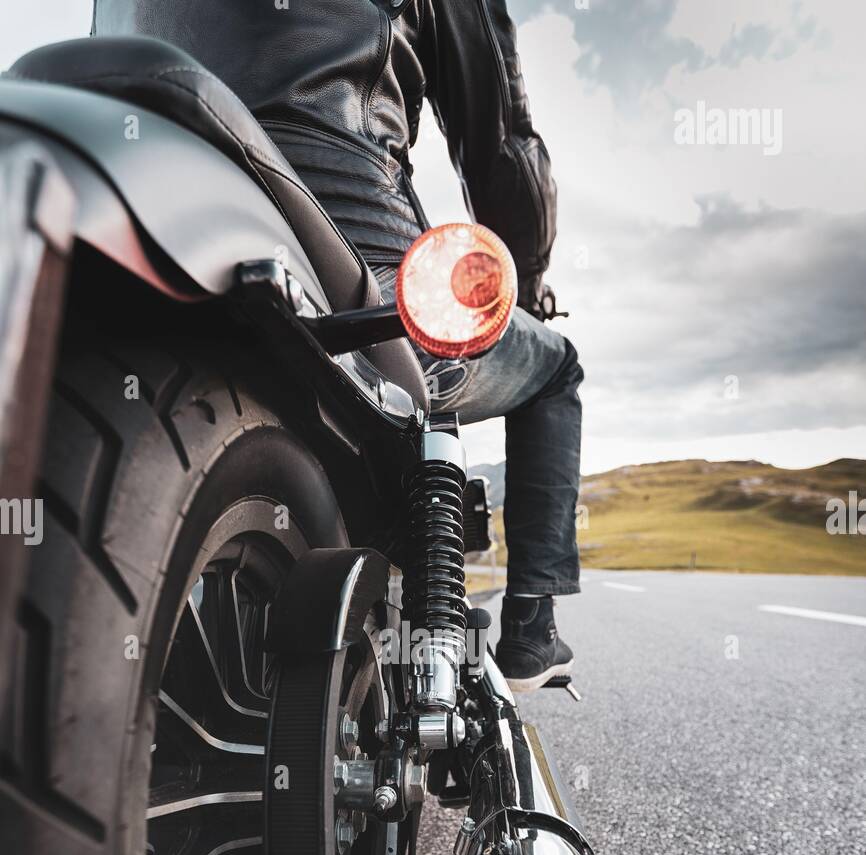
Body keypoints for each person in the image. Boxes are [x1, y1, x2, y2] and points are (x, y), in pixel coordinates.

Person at [93, 0, 584, 690]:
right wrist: (528, 283)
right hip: (354, 272)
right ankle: (533, 633)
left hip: (158, 250)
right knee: (557, 369)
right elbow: (503, 152)